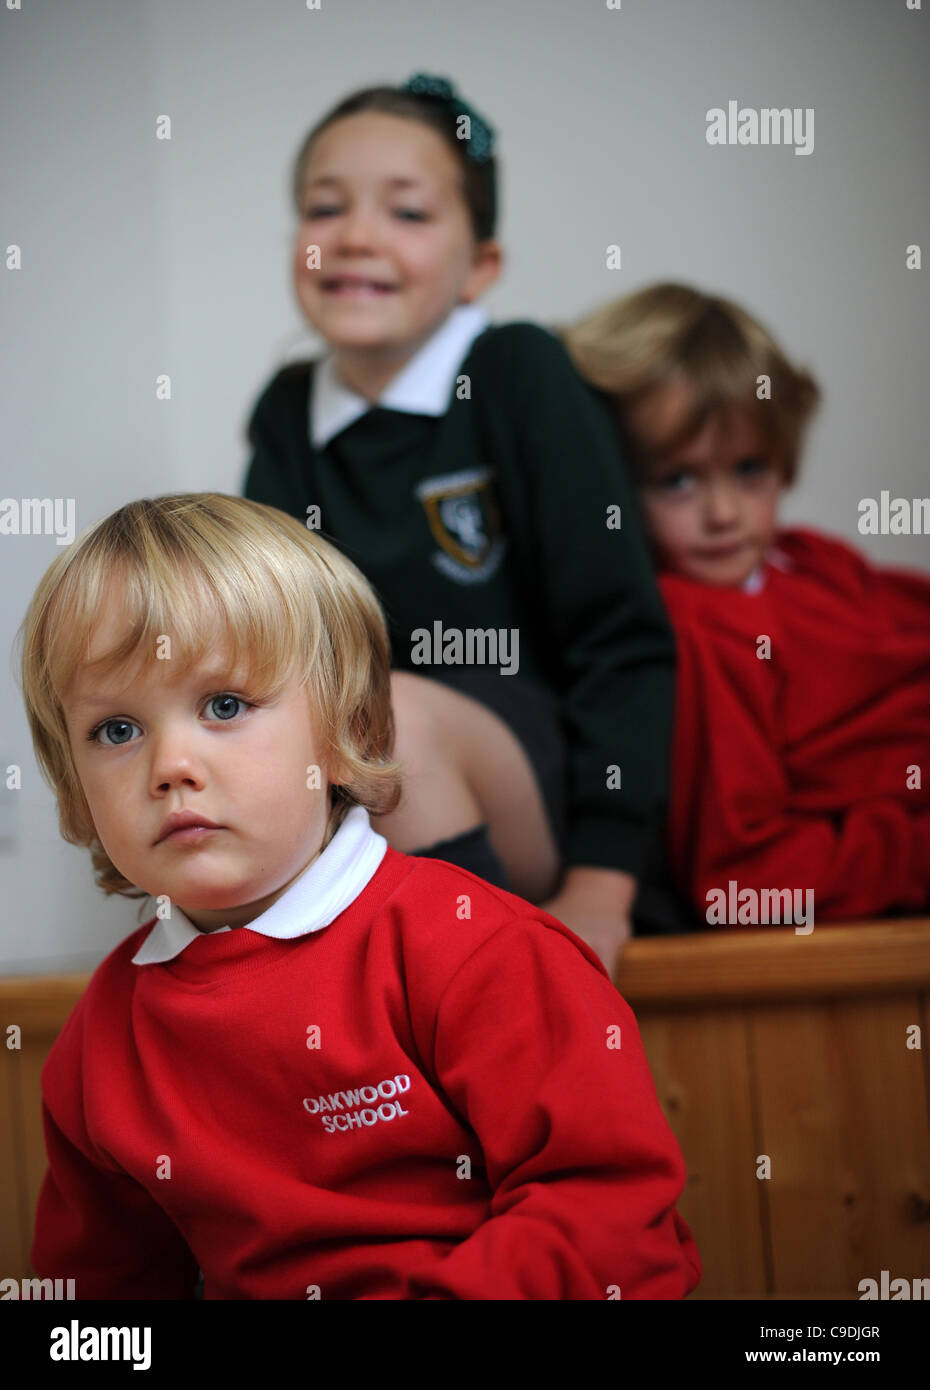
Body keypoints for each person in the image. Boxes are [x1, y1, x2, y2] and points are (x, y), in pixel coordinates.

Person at [19, 493, 700, 1300]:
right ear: (72, 789)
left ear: (351, 733)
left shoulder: (479, 951)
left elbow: (613, 1222)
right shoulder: (100, 1043)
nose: (170, 764)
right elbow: (103, 1297)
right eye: (117, 731)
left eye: (225, 706)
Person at [243, 73, 677, 966]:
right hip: (352, 768)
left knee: (387, 721)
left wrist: (603, 874)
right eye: (326, 208)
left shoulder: (520, 375)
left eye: (407, 213)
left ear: (481, 265)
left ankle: (488, 987)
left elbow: (621, 642)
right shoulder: (288, 411)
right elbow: (263, 638)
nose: (357, 235)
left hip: (525, 773)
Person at [560, 283, 930, 925]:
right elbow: (743, 880)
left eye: (750, 469)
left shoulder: (813, 559)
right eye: (677, 480)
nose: (723, 514)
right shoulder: (693, 629)